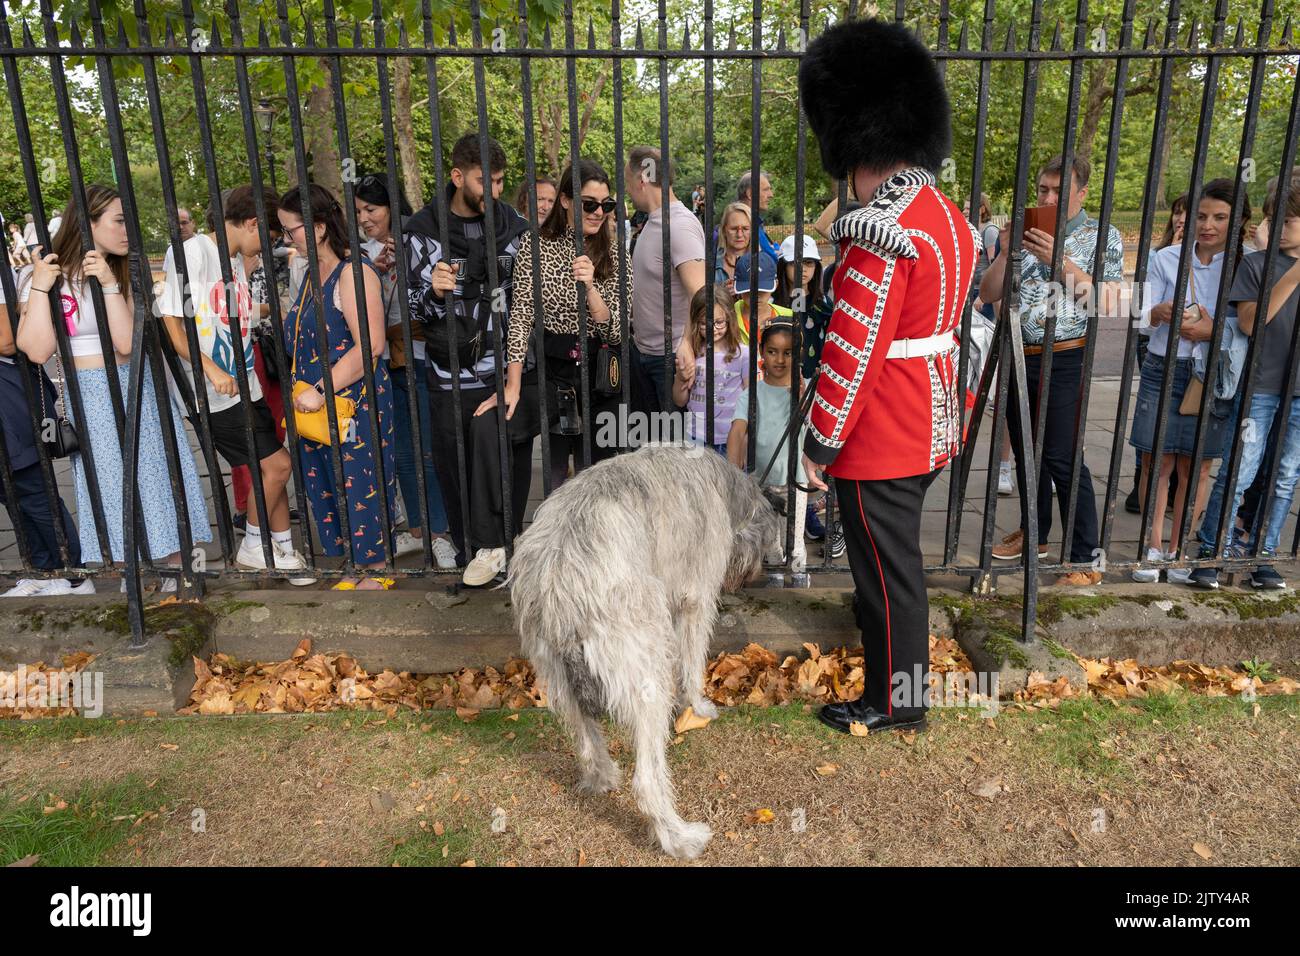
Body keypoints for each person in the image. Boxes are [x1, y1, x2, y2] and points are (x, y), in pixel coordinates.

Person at [798, 19, 978, 734]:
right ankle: (898, 689)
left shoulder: (882, 227)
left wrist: (820, 442)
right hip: (932, 418)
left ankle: (896, 702)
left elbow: (855, 348)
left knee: (886, 576)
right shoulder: (947, 218)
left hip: (882, 434)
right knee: (895, 567)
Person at [17, 185, 212, 585]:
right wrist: (39, 287)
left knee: (157, 478)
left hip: (136, 388)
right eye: (119, 221)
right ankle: (132, 580)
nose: (128, 231)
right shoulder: (48, 276)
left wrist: (107, 284)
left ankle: (177, 574)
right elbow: (36, 350)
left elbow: (125, 343)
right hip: (89, 395)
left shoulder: (125, 272)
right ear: (87, 223)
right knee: (108, 487)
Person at [157, 185, 312, 584]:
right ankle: (253, 547)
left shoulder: (232, 261)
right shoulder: (194, 252)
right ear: (251, 222)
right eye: (270, 234)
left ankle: (281, 549)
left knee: (273, 465)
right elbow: (173, 322)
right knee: (278, 465)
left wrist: (270, 309)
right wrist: (210, 370)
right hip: (214, 391)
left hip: (244, 384)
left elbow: (220, 312)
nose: (270, 245)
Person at [980, 153, 1123, 586]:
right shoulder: (1022, 234)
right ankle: (1035, 535)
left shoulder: (1104, 236)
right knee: (1026, 453)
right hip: (1018, 353)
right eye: (1043, 189)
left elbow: (1109, 303)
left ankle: (1084, 558)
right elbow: (987, 292)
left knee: (1062, 458)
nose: (1048, 197)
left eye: (1059, 191)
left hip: (1065, 355)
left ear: (1081, 193)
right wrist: (1006, 254)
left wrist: (1059, 260)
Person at [405, 131, 537, 587]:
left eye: (501, 181)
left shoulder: (515, 227)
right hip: (448, 374)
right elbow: (409, 311)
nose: (494, 191)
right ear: (458, 176)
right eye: (486, 181)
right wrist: (433, 290)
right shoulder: (423, 232)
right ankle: (469, 559)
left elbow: (526, 305)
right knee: (456, 470)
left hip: (506, 370)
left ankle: (507, 552)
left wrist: (515, 370)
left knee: (509, 466)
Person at [279, 183, 398, 590]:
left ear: (316, 228)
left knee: (361, 480)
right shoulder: (314, 274)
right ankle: (356, 562)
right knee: (328, 482)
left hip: (351, 399)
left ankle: (377, 567)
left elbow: (371, 345)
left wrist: (320, 390)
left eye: (289, 229)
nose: (285, 238)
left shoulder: (355, 272)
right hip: (315, 404)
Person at [1129, 180, 1246, 584]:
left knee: (1195, 467)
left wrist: (1214, 331)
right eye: (1201, 216)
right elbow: (1139, 315)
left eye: (1219, 217)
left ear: (1237, 222)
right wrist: (1159, 312)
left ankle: (1179, 549)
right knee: (1156, 460)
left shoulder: (1244, 265)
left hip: (1212, 375)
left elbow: (1252, 322)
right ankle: (1151, 546)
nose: (1208, 225)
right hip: (1165, 366)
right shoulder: (1167, 258)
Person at [1188, 174, 1300, 590]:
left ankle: (1262, 554)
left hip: (1298, 390)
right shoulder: (1257, 265)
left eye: (1289, 221)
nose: (1280, 226)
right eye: (1277, 219)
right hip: (1261, 386)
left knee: (1285, 475)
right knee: (1240, 470)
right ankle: (1210, 553)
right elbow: (1252, 323)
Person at [354, 172, 456, 570]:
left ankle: (441, 534)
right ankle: (416, 530)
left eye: (372, 209)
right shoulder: (363, 253)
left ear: (392, 207)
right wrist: (376, 270)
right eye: (360, 210)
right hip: (384, 360)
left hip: (420, 355)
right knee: (399, 453)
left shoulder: (418, 239)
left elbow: (436, 297)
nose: (365, 218)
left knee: (429, 450)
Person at [504, 159, 625, 491]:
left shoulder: (615, 251)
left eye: (606, 205)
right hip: (556, 370)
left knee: (600, 475)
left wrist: (590, 288)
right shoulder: (536, 244)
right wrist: (512, 384)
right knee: (556, 474)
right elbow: (521, 316)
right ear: (567, 200)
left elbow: (615, 331)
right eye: (589, 204)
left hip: (601, 374)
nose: (599, 212)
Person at [0, 270, 92, 597]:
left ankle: (72, 574)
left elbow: (7, 340)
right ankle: (41, 571)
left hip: (10, 399)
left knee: (33, 491)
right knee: (12, 496)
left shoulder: (5, 277)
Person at [625, 145, 707, 415]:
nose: (627, 190)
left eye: (628, 182)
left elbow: (701, 294)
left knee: (673, 451)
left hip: (670, 360)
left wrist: (685, 344)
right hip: (646, 355)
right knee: (655, 448)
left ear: (642, 179)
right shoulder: (654, 221)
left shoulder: (679, 226)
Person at [1126, 194, 1189, 514]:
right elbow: (1142, 311)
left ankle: (1176, 487)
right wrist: (1172, 254)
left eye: (1186, 213)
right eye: (1177, 212)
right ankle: (1142, 484)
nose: (1180, 218)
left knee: (1182, 415)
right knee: (1152, 412)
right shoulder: (1156, 255)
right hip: (1153, 341)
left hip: (1192, 350)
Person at [728, 320, 807, 573]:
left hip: (796, 478)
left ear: (798, 355)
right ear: (762, 352)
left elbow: (814, 424)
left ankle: (798, 573)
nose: (780, 360)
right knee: (770, 541)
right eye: (772, 351)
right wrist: (733, 469)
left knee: (795, 541)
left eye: (788, 352)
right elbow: (738, 429)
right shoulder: (752, 394)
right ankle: (774, 574)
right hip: (763, 479)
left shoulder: (803, 390)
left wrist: (802, 397)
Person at [774, 232, 830, 541]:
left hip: (815, 384)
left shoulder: (822, 304)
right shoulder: (776, 304)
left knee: (807, 450)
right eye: (797, 263)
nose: (804, 269)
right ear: (784, 267)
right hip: (781, 382)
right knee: (783, 445)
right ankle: (781, 511)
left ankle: (807, 512)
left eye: (810, 263)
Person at [673, 284, 747, 454]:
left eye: (719, 322)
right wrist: (680, 378)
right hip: (695, 437)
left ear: (730, 319)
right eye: (705, 323)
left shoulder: (743, 354)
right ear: (695, 322)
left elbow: (751, 400)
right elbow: (679, 400)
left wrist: (745, 437)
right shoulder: (692, 354)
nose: (714, 328)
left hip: (730, 439)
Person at [733, 250, 791, 348]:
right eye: (749, 290)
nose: (756, 295)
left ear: (776, 284)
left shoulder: (789, 316)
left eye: (762, 290)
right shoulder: (727, 317)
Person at [735, 169, 779, 263]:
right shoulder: (741, 226)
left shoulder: (755, 223)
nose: (771, 195)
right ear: (750, 194)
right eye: (766, 190)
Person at [714, 202, 752, 293]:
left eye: (745, 229)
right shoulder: (710, 263)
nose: (739, 234)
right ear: (724, 230)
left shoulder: (763, 263)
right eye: (734, 229)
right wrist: (720, 293)